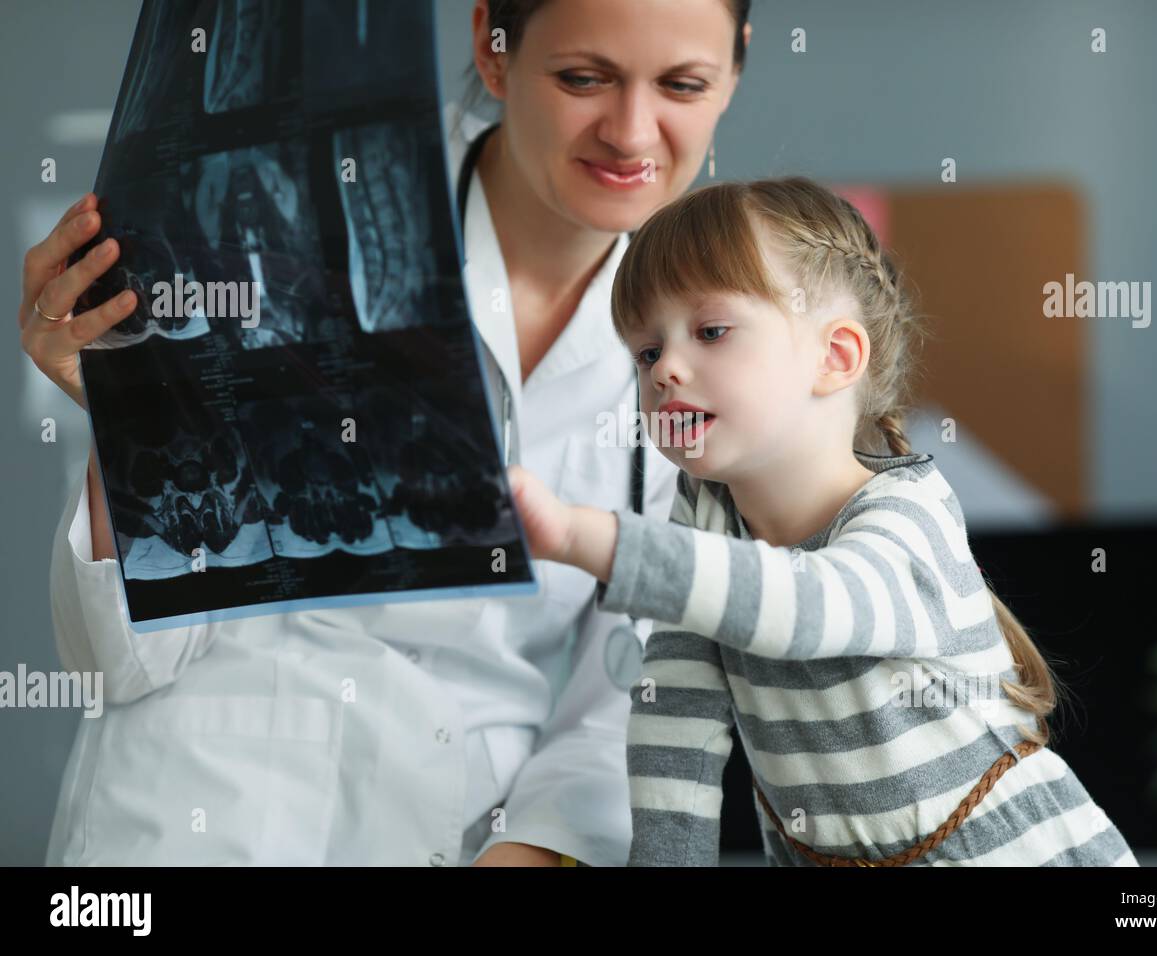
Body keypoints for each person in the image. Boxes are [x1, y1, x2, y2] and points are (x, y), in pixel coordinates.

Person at [17, 0, 753, 866]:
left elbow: (629, 696)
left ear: (735, 67)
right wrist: (129, 413)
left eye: (682, 84)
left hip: (468, 834)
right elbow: (121, 659)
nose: (631, 133)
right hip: (208, 809)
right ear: (491, 45)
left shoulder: (724, 337)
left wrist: (536, 851)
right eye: (582, 78)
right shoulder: (282, 217)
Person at [506, 176, 1139, 865]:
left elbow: (803, 606)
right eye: (648, 350)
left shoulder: (909, 514)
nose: (665, 372)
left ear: (835, 357)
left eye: (711, 331)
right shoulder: (706, 520)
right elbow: (675, 725)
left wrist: (585, 539)